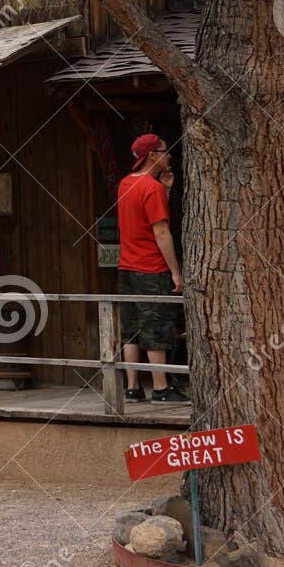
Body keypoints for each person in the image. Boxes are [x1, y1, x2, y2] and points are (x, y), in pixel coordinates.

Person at [116, 133, 187, 403]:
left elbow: (141, 217)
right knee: (157, 326)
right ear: (153, 156)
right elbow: (160, 231)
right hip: (151, 267)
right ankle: (160, 388)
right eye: (165, 151)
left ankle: (133, 387)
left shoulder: (125, 184)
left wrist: (166, 190)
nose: (169, 155)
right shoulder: (151, 188)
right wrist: (175, 271)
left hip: (127, 266)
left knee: (131, 329)